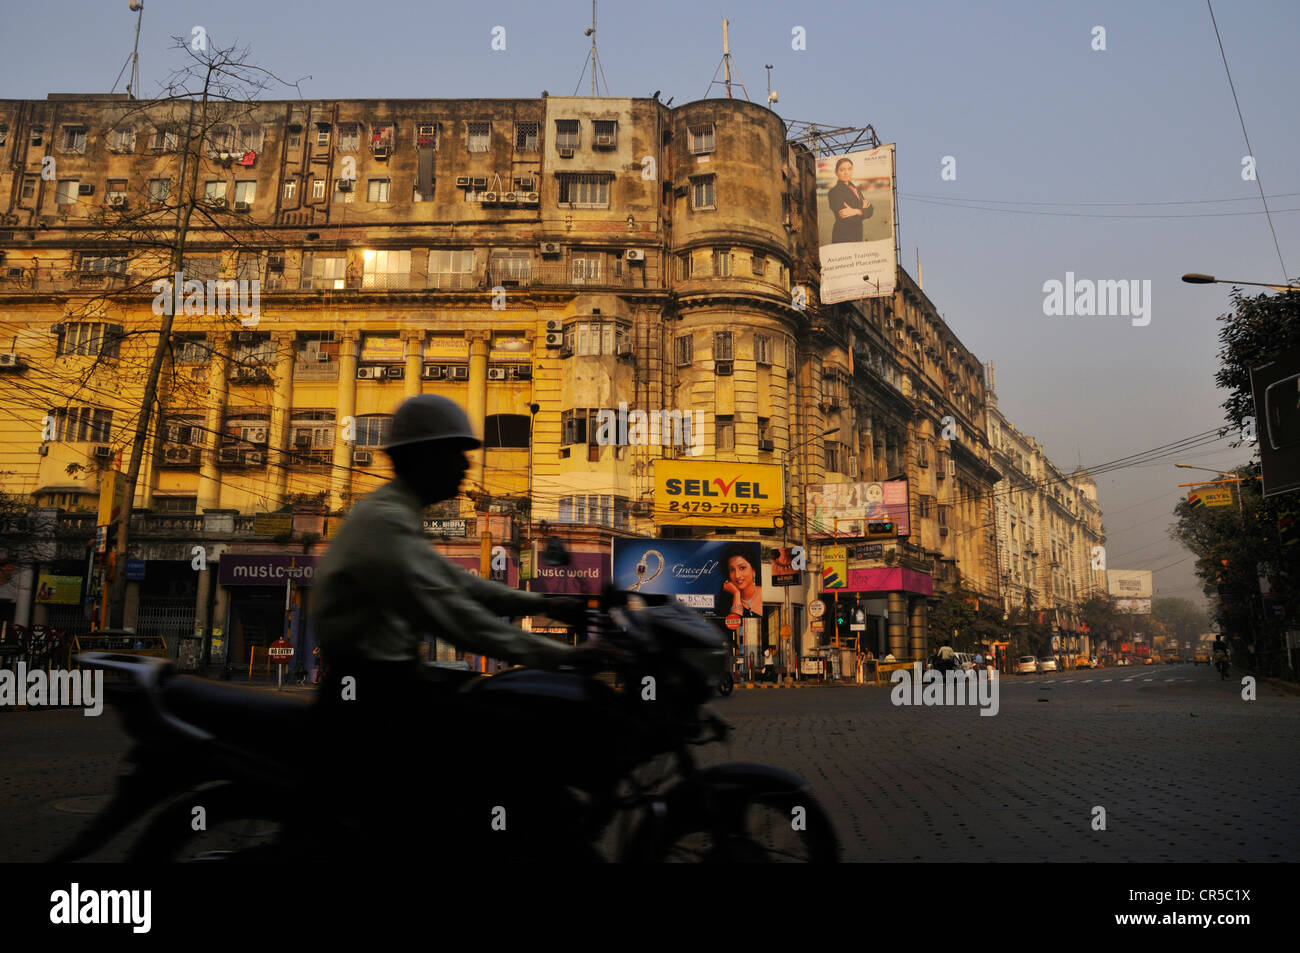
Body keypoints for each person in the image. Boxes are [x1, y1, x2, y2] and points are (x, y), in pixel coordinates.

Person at [309, 395, 613, 845]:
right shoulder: (386, 522)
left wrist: (543, 605)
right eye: (454, 455)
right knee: (492, 746)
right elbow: (458, 617)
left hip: (390, 680)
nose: (464, 467)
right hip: (372, 691)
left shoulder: (397, 513)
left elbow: (461, 584)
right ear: (421, 459)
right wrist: (564, 657)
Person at [827, 157, 873, 244]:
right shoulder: (834, 192)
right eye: (842, 170)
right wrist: (863, 210)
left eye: (849, 169)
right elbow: (844, 215)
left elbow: (871, 209)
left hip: (857, 236)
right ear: (836, 172)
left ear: (852, 170)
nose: (846, 173)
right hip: (843, 237)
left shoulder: (855, 189)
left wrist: (856, 211)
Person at [717, 546, 763, 617]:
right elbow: (735, 623)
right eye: (732, 570)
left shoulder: (765, 593)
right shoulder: (726, 603)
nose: (737, 575)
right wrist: (736, 594)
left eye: (742, 568)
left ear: (753, 569)